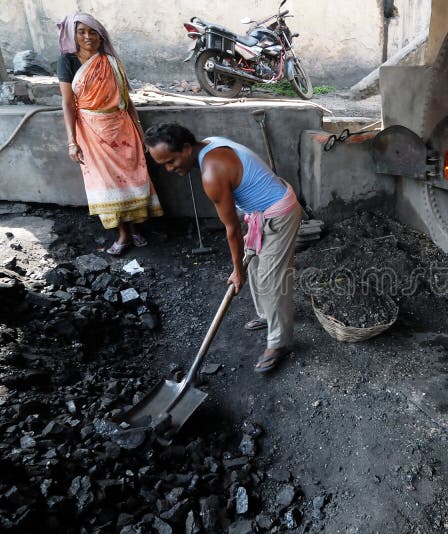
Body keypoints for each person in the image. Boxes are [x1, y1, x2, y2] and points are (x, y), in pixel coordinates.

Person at [144, 123, 302, 373]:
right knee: (256, 268)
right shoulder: (209, 143)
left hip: (279, 214)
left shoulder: (211, 173)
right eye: (163, 164)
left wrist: (236, 270)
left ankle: (278, 342)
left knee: (271, 278)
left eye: (171, 161)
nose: (170, 168)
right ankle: (268, 316)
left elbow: (232, 230)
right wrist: (241, 267)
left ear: (186, 148)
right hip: (261, 213)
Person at [57, 13, 162, 255]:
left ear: (100, 34)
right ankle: (123, 234)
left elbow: (127, 100)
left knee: (133, 179)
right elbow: (67, 103)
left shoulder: (111, 61)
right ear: (73, 35)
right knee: (107, 184)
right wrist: (72, 142)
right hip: (92, 132)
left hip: (122, 127)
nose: (87, 36)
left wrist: (140, 130)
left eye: (92, 31)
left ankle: (135, 229)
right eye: (81, 31)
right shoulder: (67, 61)